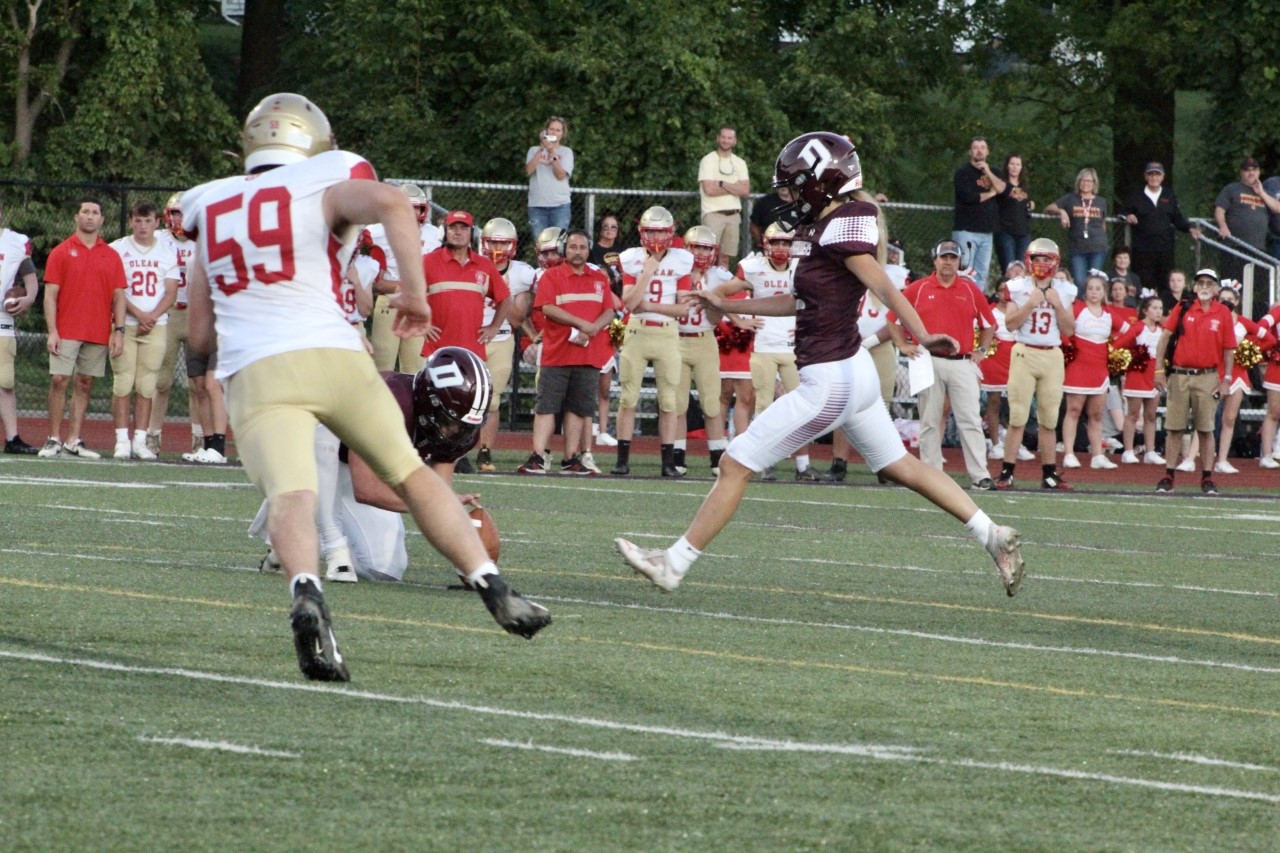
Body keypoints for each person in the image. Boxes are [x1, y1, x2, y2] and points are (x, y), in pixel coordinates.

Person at [182, 92, 549, 682]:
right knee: (411, 471)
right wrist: (414, 291)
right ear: (314, 142)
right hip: (335, 353)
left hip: (258, 370)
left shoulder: (211, 202)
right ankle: (491, 582)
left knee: (292, 494)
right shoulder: (326, 176)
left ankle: (306, 589)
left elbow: (199, 333)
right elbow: (393, 203)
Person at [617, 132, 1026, 598]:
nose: (788, 197)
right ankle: (991, 534)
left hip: (830, 378)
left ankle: (674, 563)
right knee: (900, 466)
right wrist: (727, 305)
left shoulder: (848, 222)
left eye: (794, 187)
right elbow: (799, 301)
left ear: (820, 182)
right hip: (852, 372)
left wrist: (921, 332)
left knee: (734, 463)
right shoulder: (822, 227)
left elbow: (885, 288)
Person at [253, 348, 494, 584]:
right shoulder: (389, 401)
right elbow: (366, 488)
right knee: (324, 438)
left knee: (384, 568)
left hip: (353, 464)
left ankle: (297, 535)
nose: (456, 432)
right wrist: (436, 504)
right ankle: (329, 540)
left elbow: (436, 494)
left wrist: (470, 559)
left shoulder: (460, 431)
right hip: (308, 447)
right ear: (428, 400)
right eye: (449, 421)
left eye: (464, 426)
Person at [887, 238, 996, 490]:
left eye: (953, 258)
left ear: (959, 261)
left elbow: (989, 324)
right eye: (944, 257)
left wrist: (982, 350)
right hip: (928, 359)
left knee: (969, 418)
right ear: (934, 259)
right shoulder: (918, 288)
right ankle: (931, 475)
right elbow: (893, 318)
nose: (948, 262)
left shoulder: (969, 289)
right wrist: (903, 345)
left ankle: (980, 475)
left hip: (962, 360)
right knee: (929, 419)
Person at [519, 229, 619, 475]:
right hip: (556, 353)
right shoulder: (552, 276)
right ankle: (538, 456)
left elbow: (609, 310)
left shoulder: (598, 278)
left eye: (582, 247)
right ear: (566, 249)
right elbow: (548, 308)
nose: (577, 252)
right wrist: (580, 324)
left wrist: (594, 328)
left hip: (587, 355)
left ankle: (570, 458)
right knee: (546, 406)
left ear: (588, 249)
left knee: (578, 409)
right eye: (573, 247)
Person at [39, 197, 127, 459]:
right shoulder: (61, 252)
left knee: (85, 383)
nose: (90, 216)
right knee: (59, 380)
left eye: (95, 212)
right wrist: (53, 330)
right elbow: (50, 296)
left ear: (102, 220)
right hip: (66, 329)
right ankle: (53, 439)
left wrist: (118, 331)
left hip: (97, 331)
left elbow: (119, 296)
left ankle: (73, 440)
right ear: (76, 218)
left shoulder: (111, 256)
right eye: (85, 211)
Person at [612, 205, 692, 477]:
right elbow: (630, 304)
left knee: (669, 401)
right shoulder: (633, 259)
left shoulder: (682, 260)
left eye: (661, 232)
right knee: (628, 397)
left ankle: (668, 462)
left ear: (671, 233)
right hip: (637, 331)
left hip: (667, 333)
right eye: (651, 232)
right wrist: (647, 272)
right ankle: (622, 461)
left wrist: (649, 305)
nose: (657, 238)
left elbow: (683, 310)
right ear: (641, 232)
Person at [995, 238, 1077, 490]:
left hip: (1052, 355)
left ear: (1055, 262)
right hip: (1024, 352)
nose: (1041, 264)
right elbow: (1009, 324)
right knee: (1018, 415)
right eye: (1037, 258)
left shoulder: (1064, 289)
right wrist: (1030, 304)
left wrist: (1057, 305)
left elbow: (1070, 329)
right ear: (1029, 260)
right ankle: (1007, 472)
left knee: (1050, 418)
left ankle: (1049, 474)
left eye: (1046, 259)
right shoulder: (1017, 287)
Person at [107, 200, 179, 461]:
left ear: (157, 222)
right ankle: (121, 439)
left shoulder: (166, 252)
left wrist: (153, 316)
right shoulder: (117, 249)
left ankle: (140, 439)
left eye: (147, 220)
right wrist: (139, 314)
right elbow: (115, 290)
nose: (142, 226)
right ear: (131, 222)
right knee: (123, 381)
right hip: (125, 324)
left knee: (147, 384)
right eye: (138, 220)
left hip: (156, 326)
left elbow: (171, 292)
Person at [1152, 269, 1236, 494]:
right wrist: (1159, 369)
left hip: (1208, 376)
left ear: (1217, 288)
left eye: (1209, 283)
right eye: (1201, 283)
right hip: (1179, 374)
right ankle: (1169, 474)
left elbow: (1229, 349)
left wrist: (1226, 379)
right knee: (1174, 427)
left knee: (1206, 429)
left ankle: (1207, 477)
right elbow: (1165, 337)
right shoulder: (1184, 307)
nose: (1205, 286)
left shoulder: (1223, 313)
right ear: (1196, 286)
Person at [473, 217, 534, 473]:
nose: (497, 250)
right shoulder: (472, 265)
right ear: (483, 243)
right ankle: (459, 449)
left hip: (502, 338)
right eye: (493, 243)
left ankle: (485, 450)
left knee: (493, 400)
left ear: (513, 246)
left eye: (503, 243)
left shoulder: (522, 273)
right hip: (471, 336)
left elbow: (518, 318)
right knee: (463, 397)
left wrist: (502, 292)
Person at [1060, 272, 1138, 471]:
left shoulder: (1109, 313)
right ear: (1085, 291)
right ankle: (1069, 453)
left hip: (1099, 369)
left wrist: (1114, 347)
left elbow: (1131, 330)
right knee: (1074, 410)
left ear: (1104, 292)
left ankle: (1097, 455)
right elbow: (1062, 328)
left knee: (1096, 414)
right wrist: (1070, 346)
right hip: (1078, 366)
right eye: (1090, 289)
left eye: (1098, 289)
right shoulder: (1076, 308)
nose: (1094, 292)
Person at [672, 225, 731, 476]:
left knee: (711, 401)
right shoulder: (674, 272)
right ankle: (676, 455)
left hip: (705, 338)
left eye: (705, 247)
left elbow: (716, 318)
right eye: (696, 246)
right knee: (677, 403)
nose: (700, 252)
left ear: (714, 251)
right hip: (676, 339)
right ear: (686, 248)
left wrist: (708, 298)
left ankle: (717, 457)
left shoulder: (719, 277)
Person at [147, 192, 201, 455]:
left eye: (183, 212)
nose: (179, 218)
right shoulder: (156, 240)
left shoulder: (203, 241)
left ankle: (200, 437)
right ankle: (153, 435)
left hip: (196, 313)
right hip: (167, 314)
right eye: (175, 212)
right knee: (162, 381)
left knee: (197, 382)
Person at [367, 182, 438, 375]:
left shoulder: (433, 235)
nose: (413, 213)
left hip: (419, 304)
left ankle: (411, 405)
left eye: (417, 208)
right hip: (390, 302)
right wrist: (408, 286)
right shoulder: (378, 233)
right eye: (408, 207)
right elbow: (376, 282)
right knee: (383, 366)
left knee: (415, 369)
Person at [1118, 162, 1200, 303]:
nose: (1154, 177)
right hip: (1142, 249)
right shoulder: (1136, 195)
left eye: (1157, 174)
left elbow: (1177, 218)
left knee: (1166, 284)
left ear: (1163, 177)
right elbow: (1122, 212)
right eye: (1151, 174)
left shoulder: (1169, 195)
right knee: (1143, 284)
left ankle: (1166, 315)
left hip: (1165, 248)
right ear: (1145, 176)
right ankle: (1143, 315)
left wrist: (1190, 228)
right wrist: (1128, 216)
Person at [1211, 284, 1264, 475]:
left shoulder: (1242, 322)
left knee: (1229, 418)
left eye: (1230, 300)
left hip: (1237, 374)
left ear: (1236, 302)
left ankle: (1222, 460)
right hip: (1215, 373)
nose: (1226, 303)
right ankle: (1193, 458)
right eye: (1222, 299)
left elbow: (1267, 338)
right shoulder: (1212, 320)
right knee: (1207, 417)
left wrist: (1248, 352)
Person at [1, 199, 40, 454]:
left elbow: (30, 279)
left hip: (2, 321)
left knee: (5, 381)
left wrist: (29, 298)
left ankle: (12, 437)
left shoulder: (15, 242)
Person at [1213, 157, 1280, 293]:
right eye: (1247, 170)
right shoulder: (1232, 189)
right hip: (1235, 247)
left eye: (1254, 170)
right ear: (1241, 173)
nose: (1251, 173)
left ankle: (1252, 314)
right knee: (1232, 288)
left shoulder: (1264, 192)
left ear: (1259, 172)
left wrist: (1261, 192)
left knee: (1257, 289)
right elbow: (1219, 209)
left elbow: (1277, 208)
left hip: (1257, 249)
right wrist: (1223, 225)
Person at [587, 213, 624, 447]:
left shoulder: (623, 253)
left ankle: (603, 428)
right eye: (606, 226)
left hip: (617, 319)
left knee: (611, 372)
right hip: (597, 318)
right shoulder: (592, 254)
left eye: (614, 227)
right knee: (590, 376)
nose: (610, 230)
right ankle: (588, 425)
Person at [951, 136, 1006, 290]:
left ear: (987, 151)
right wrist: (990, 194)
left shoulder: (994, 172)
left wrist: (987, 170)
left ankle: (976, 307)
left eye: (982, 147)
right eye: (976, 147)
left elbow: (1002, 189)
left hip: (987, 232)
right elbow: (969, 197)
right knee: (964, 273)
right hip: (966, 231)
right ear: (970, 151)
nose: (979, 151)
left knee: (982, 274)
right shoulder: (963, 173)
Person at [1119, 296, 1167, 465]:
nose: (1158, 312)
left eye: (1160, 308)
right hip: (1138, 374)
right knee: (1132, 414)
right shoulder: (1138, 327)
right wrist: (1132, 357)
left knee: (1151, 415)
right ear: (1145, 311)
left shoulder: (1163, 330)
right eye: (1154, 308)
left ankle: (1150, 451)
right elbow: (1119, 344)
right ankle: (1128, 450)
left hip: (1154, 376)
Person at [1043, 168, 1109, 287]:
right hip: (1078, 247)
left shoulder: (1101, 201)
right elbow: (1048, 208)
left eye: (1089, 181)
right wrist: (1061, 211)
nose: (1085, 183)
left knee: (1094, 282)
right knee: (1079, 281)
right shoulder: (1070, 198)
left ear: (1094, 183)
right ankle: (1080, 304)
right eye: (1083, 180)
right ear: (1078, 182)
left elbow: (1103, 223)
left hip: (1098, 246)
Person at [697, 126, 750, 269]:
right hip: (713, 214)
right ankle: (704, 287)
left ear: (735, 141)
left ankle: (721, 288)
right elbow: (709, 189)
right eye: (723, 137)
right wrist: (734, 187)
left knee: (725, 258)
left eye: (729, 138)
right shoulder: (708, 160)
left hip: (733, 216)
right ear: (718, 138)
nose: (726, 141)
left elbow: (745, 191)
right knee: (707, 255)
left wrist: (722, 183)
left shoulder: (740, 163)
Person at [525, 116, 573, 242]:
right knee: (540, 244)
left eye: (558, 130)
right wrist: (542, 148)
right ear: (545, 131)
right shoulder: (534, 150)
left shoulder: (566, 152)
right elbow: (529, 170)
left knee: (558, 244)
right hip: (537, 205)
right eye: (551, 129)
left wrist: (551, 150)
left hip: (560, 206)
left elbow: (560, 175)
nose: (554, 132)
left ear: (562, 134)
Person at [994, 153, 1033, 274]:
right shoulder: (1002, 184)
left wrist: (1032, 203)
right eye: (1012, 164)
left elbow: (1027, 202)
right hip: (1005, 231)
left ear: (1021, 167)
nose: (1014, 167)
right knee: (1009, 269)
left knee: (1022, 270)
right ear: (1007, 166)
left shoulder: (1024, 186)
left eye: (1018, 164)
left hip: (1023, 232)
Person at [1252, 299, 1280, 468]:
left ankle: (1277, 450)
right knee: (1274, 412)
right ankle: (1267, 454)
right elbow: (1263, 323)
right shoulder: (1278, 310)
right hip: (1277, 366)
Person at [748, 190, 786, 255]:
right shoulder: (765, 202)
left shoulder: (801, 204)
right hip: (768, 248)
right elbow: (754, 225)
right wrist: (760, 243)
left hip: (795, 248)